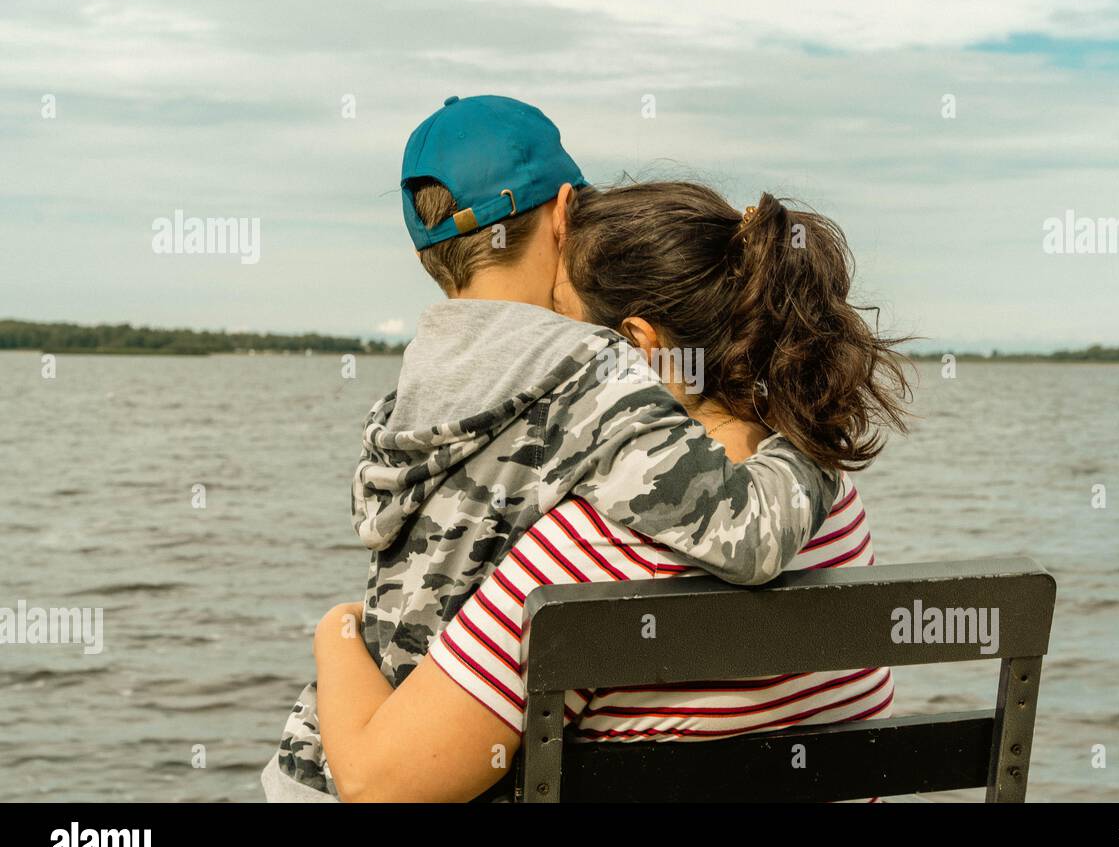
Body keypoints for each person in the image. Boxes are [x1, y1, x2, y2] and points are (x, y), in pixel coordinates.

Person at [265, 97, 839, 800]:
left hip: (329, 757)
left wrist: (337, 630)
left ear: (427, 252)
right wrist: (810, 429)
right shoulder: (597, 375)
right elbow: (748, 532)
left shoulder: (411, 394)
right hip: (419, 766)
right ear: (564, 211)